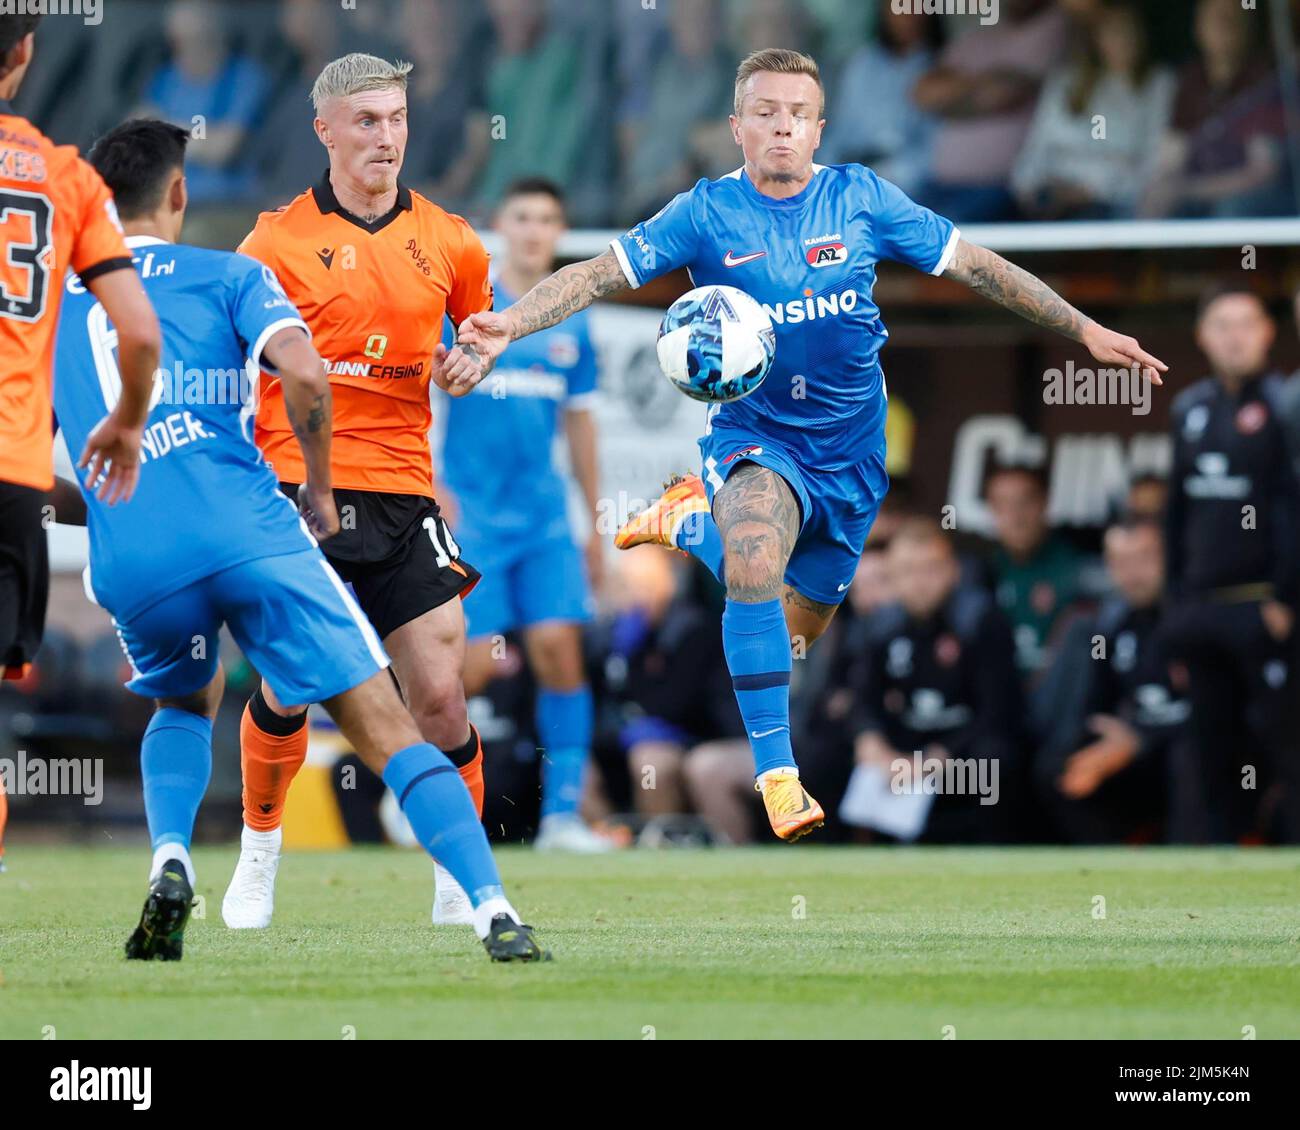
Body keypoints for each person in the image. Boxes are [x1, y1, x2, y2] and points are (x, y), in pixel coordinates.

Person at [456, 47, 1166, 843]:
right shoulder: (702, 213)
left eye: (797, 112)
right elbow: (594, 276)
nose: (781, 125)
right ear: (737, 126)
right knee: (755, 559)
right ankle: (776, 772)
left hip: (854, 459)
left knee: (794, 628)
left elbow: (976, 266)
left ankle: (692, 523)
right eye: (764, 111)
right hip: (758, 439)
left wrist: (1083, 328)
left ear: (820, 128)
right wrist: (510, 320)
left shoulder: (860, 198)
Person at [52, 119, 545, 962]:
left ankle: (172, 860)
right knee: (381, 722)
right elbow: (306, 371)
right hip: (257, 521)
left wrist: (100, 507)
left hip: (135, 547)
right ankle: (493, 906)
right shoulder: (237, 268)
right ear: (179, 195)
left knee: (183, 703)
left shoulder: (58, 306)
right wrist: (315, 491)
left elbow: (24, 451)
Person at [224, 53, 496, 929]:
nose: (387, 136)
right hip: (298, 489)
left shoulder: (452, 240)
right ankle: (259, 857)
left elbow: (478, 339)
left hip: (405, 494)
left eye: (398, 119)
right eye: (368, 121)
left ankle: (458, 879)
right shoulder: (271, 243)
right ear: (326, 129)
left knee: (444, 692)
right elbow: (224, 365)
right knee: (289, 685)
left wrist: (471, 361)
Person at [0, 14, 161, 871]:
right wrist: (126, 428)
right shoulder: (65, 177)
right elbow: (137, 329)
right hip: (13, 480)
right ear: (24, 53)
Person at [442, 177, 609, 852]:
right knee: (473, 664)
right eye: (523, 216)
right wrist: (428, 484)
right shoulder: (469, 306)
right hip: (474, 514)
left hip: (542, 521)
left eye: (548, 218)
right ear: (500, 225)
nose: (536, 229)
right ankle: (434, 799)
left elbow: (582, 427)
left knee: (559, 653)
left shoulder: (572, 319)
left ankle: (563, 817)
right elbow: (422, 395)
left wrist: (595, 522)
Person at [1162, 285, 1300, 843]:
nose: (1234, 336)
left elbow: (1293, 508)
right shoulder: (1189, 407)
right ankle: (1218, 867)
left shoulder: (1286, 404)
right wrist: (1175, 607)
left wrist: (1286, 600)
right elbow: (1176, 514)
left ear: (1268, 332)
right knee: (1209, 746)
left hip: (1263, 607)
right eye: (1221, 324)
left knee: (1284, 741)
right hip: (1201, 611)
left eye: (1246, 323)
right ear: (1202, 335)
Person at [850, 518, 1021, 843]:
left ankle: (991, 855)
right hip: (903, 749)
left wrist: (937, 758)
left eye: (931, 569)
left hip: (961, 751)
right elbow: (862, 700)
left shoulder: (980, 620)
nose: (920, 581)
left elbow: (997, 712)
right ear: (894, 577)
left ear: (953, 571)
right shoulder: (880, 626)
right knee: (824, 754)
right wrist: (870, 741)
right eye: (908, 570)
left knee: (995, 761)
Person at [1033, 518, 1187, 844]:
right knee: (1060, 765)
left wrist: (1139, 741)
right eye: (1121, 561)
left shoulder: (1194, 620)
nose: (1133, 573)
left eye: (1144, 558)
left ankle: (1194, 856)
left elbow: (1221, 713)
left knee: (1188, 759)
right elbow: (1096, 706)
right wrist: (1102, 747)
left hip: (1185, 747)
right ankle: (1106, 865)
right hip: (1131, 753)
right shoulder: (1110, 626)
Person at [1010, 1, 1175, 221]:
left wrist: (1092, 190)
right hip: (1051, 199)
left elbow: (1153, 162)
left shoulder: (1157, 84)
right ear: (1096, 38)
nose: (1125, 41)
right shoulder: (1066, 83)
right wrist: (1028, 188)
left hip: (1113, 203)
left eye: (1131, 32)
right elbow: (1036, 147)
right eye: (1114, 32)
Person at [1140, 0, 1287, 219]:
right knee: (1153, 199)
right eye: (1214, 19)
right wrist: (1164, 186)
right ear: (1198, 28)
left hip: (1247, 195)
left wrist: (1189, 189)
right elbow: (1172, 155)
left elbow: (1262, 172)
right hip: (1196, 189)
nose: (1223, 26)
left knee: (1232, 210)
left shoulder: (1263, 79)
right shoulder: (1191, 81)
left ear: (1247, 27)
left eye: (1231, 19)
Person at [982, 464, 1090, 681]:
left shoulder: (1077, 567)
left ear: (1044, 502)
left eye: (1025, 502)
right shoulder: (980, 572)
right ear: (990, 510)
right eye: (1002, 505)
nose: (1016, 516)